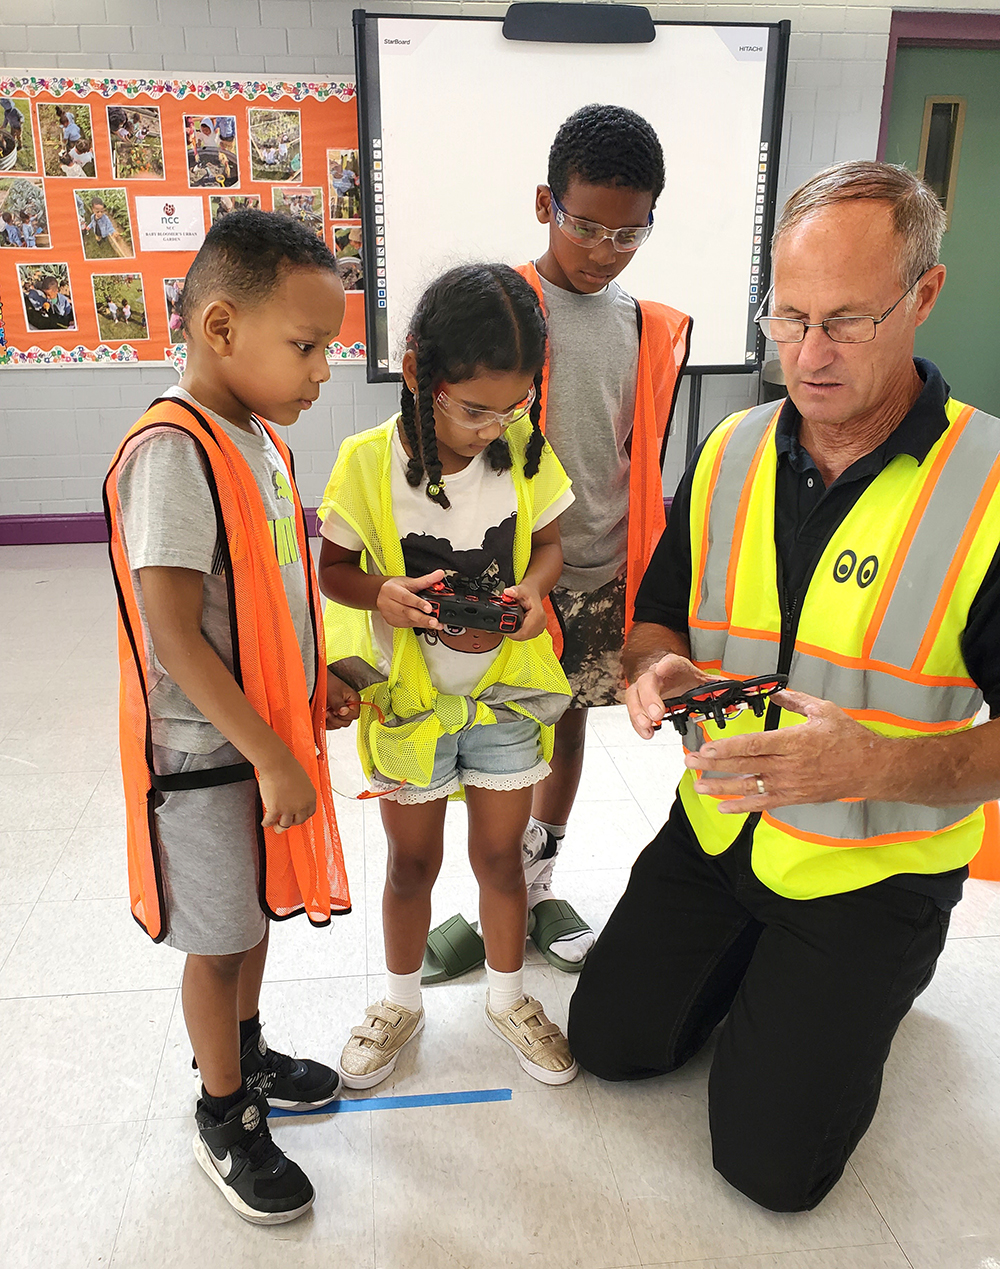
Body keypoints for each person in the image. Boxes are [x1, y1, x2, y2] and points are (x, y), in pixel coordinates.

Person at [567, 160, 1000, 1212]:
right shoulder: (730, 449)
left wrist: (871, 762)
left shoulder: (986, 487)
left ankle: (873, 979)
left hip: (873, 867)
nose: (807, 356)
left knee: (769, 1172)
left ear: (924, 297)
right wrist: (649, 665)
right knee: (610, 1047)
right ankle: (773, 969)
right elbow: (659, 616)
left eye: (846, 321)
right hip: (719, 831)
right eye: (788, 317)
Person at [102, 210, 352, 1224]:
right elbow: (172, 630)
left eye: (327, 348)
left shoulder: (255, 438)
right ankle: (222, 1114)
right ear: (218, 328)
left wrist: (317, 683)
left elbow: (268, 595)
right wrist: (268, 751)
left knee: (251, 919)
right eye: (305, 346)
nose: (322, 372)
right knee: (218, 938)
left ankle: (245, 1057)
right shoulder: (176, 448)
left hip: (259, 739)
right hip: (206, 759)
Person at [428, 104, 691, 976]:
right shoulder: (494, 306)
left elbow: (631, 446)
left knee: (566, 725)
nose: (605, 248)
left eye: (630, 232)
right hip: (502, 573)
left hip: (603, 568)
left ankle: (535, 889)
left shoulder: (649, 326)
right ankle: (487, 896)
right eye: (586, 225)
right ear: (546, 203)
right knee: (490, 730)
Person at [318, 263, 579, 1089]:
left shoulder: (525, 451)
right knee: (411, 866)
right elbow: (334, 571)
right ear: (420, 374)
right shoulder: (365, 462)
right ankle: (400, 1001)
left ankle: (509, 998)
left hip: (502, 699)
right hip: (410, 707)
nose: (492, 427)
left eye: (513, 407)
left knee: (502, 863)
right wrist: (382, 595)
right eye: (474, 409)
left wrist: (536, 593)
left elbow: (547, 546)